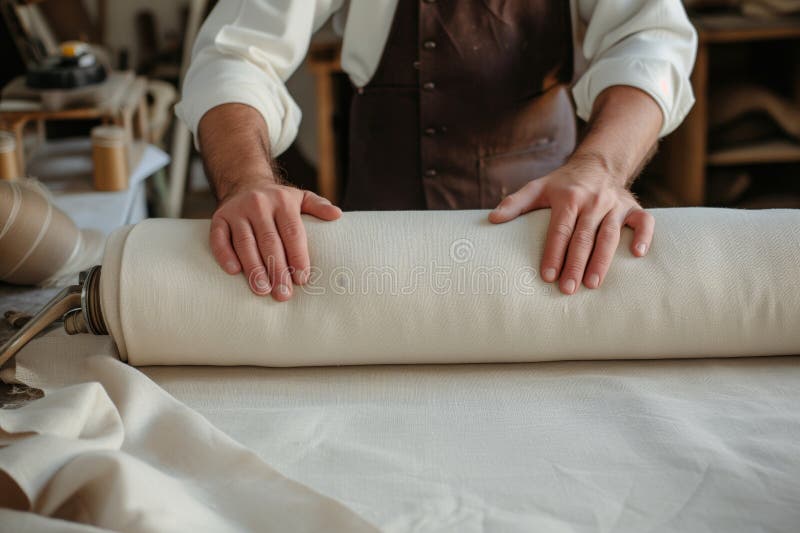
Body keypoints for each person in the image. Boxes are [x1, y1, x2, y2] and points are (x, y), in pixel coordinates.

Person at [177, 0, 697, 300]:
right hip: (381, 238)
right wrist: (247, 179)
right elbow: (236, 53)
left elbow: (649, 40)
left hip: (546, 238)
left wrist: (600, 167)